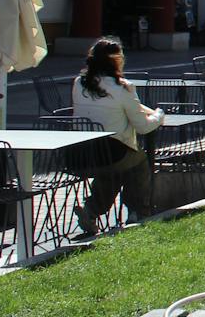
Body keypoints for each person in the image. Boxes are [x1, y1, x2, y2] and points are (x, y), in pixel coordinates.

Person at [70, 38, 165, 238]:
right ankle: (137, 211)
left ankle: (91, 211)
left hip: (79, 154)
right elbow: (143, 127)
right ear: (117, 60)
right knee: (137, 161)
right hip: (111, 154)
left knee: (114, 171)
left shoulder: (79, 83)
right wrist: (159, 115)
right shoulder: (122, 88)